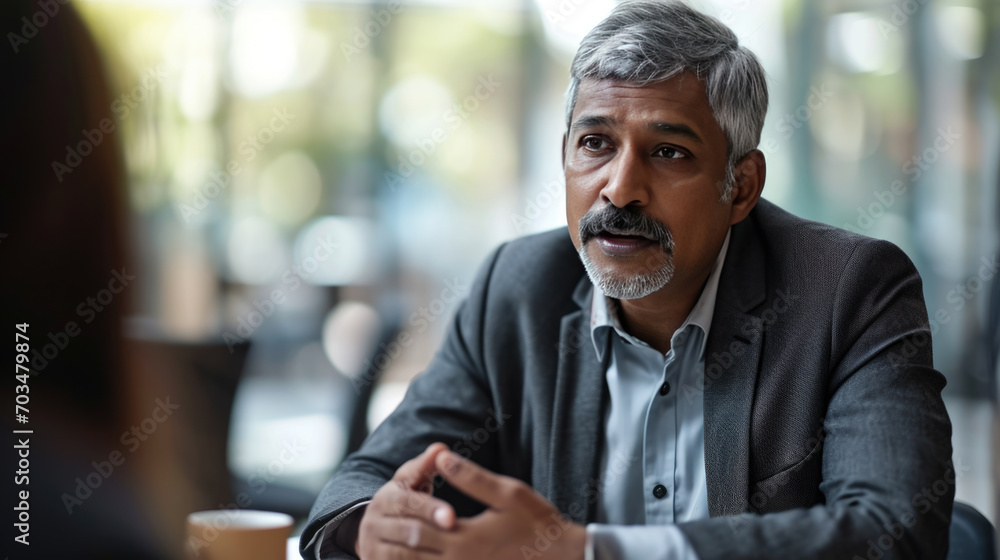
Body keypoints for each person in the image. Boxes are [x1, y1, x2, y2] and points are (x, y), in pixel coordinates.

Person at [300, 1, 954, 558]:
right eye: (595, 143)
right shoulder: (518, 289)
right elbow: (355, 490)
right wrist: (379, 526)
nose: (620, 187)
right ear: (566, 156)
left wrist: (586, 551)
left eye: (669, 152)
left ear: (742, 186)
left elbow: (894, 531)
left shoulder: (850, 290)